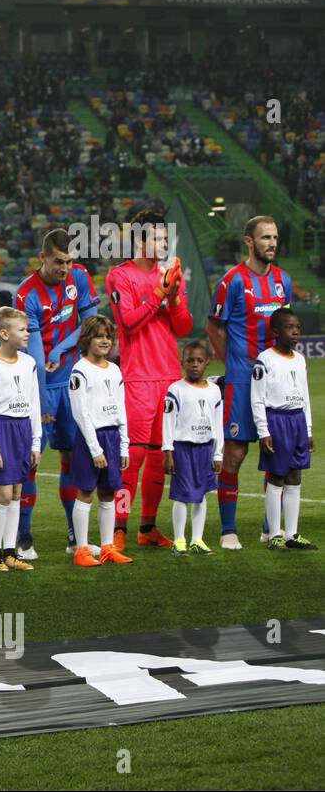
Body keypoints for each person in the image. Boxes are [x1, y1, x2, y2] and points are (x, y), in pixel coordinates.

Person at [206, 216, 294, 549]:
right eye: (265, 238)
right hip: (242, 380)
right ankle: (228, 530)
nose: (272, 243)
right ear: (249, 241)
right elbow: (214, 325)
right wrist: (234, 363)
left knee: (279, 453)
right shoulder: (231, 281)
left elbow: (285, 325)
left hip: (277, 382)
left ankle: (272, 528)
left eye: (275, 237)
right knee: (235, 453)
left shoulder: (283, 280)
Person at [105, 208, 191, 549]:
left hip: (169, 376)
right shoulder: (119, 276)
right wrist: (159, 293)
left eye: (165, 238)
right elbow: (127, 322)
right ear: (140, 240)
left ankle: (147, 529)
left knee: (159, 458)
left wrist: (173, 298)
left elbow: (183, 327)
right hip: (138, 377)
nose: (163, 243)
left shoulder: (171, 274)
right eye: (157, 238)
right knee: (134, 459)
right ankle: (119, 528)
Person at [15, 227, 100, 559]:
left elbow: (90, 327)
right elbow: (34, 354)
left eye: (68, 261)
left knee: (72, 459)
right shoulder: (27, 295)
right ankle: (23, 538)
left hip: (73, 383)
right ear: (42, 257)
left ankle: (73, 537)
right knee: (30, 462)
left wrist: (62, 349)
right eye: (57, 262)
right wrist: (40, 402)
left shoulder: (79, 277)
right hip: (41, 385)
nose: (64, 268)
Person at [0, 307, 42, 571]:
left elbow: (34, 403)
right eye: (22, 329)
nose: (27, 333)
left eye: (27, 328)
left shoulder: (29, 363)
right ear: (4, 334)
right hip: (2, 430)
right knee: (3, 494)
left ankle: (11, 553)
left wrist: (35, 442)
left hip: (23, 429)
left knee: (16, 493)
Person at [66, 315, 132, 568]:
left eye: (108, 336)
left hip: (113, 437)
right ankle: (81, 549)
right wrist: (95, 448)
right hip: (89, 438)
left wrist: (124, 444)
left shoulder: (114, 370)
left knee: (108, 493)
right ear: (87, 339)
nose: (105, 341)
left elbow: (121, 409)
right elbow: (80, 413)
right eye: (99, 336)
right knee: (86, 492)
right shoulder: (80, 370)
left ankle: (107, 547)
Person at [252, 308, 315, 551]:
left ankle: (292, 534)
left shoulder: (300, 359)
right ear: (276, 331)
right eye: (290, 327)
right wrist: (263, 431)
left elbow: (305, 396)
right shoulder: (265, 359)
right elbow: (257, 398)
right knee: (277, 476)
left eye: (298, 327)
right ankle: (274, 534)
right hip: (276, 421)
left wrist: (308, 430)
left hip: (297, 420)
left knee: (295, 476)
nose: (296, 331)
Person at [162, 340, 224, 556]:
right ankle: (179, 540)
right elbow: (168, 422)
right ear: (182, 362)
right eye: (190, 360)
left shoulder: (215, 391)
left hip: (205, 449)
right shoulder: (175, 389)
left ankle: (197, 539)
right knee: (181, 496)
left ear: (208, 362)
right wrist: (168, 452)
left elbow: (218, 424)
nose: (194, 364)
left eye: (199, 360)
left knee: (202, 494)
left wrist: (217, 453)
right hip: (183, 449)